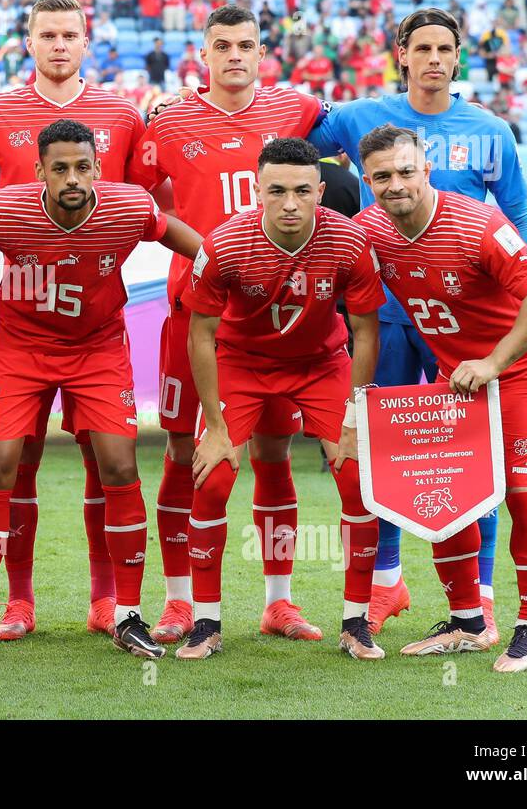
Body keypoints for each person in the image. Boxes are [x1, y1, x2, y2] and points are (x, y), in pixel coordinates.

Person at [0, 119, 202, 660]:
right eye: (60, 168)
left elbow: (179, 236)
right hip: (18, 350)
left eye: (83, 167)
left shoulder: (128, 206)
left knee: (119, 465)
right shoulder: (7, 209)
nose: (73, 177)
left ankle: (126, 612)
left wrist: (218, 265)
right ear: (40, 170)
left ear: (97, 168)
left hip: (97, 349)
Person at [309, 7, 527, 640]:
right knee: (379, 451)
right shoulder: (358, 119)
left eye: (446, 48)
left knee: (474, 455)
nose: (435, 58)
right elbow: (296, 138)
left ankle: (482, 596)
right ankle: (387, 587)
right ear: (401, 55)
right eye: (423, 48)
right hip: (382, 314)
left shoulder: (490, 130)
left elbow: (516, 210)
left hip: (465, 325)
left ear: (459, 56)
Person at [0, 0, 148, 639]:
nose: (59, 45)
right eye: (47, 35)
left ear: (86, 42)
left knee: (107, 461)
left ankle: (107, 600)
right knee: (16, 462)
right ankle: (17, 601)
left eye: (70, 34)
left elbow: (151, 198)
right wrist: (0, 219)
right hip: (23, 323)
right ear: (28, 42)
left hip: (97, 323)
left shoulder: (121, 116)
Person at [130, 4, 330, 645]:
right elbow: (142, 203)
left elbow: (340, 173)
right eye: (223, 45)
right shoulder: (167, 123)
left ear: (263, 52)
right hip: (197, 317)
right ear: (203, 53)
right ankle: (179, 602)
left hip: (277, 324)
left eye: (247, 44)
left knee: (273, 454)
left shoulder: (299, 112)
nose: (235, 55)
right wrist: (206, 250)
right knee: (186, 452)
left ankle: (279, 601)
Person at [357, 123, 527, 673]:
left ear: (427, 169)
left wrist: (494, 362)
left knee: (524, 496)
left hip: (522, 372)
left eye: (406, 171)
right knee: (445, 497)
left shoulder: (478, 224)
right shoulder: (369, 230)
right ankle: (468, 623)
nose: (396, 184)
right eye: (382, 176)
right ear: (367, 180)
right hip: (458, 383)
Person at [180, 137, 386, 660]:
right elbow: (200, 334)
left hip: (320, 366)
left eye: (301, 190)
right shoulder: (223, 245)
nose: (289, 203)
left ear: (320, 190)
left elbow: (365, 331)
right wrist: (216, 427)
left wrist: (355, 418)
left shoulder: (349, 241)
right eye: (276, 190)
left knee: (359, 477)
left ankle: (355, 622)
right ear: (257, 190)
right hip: (243, 365)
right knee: (214, 475)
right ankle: (205, 623)